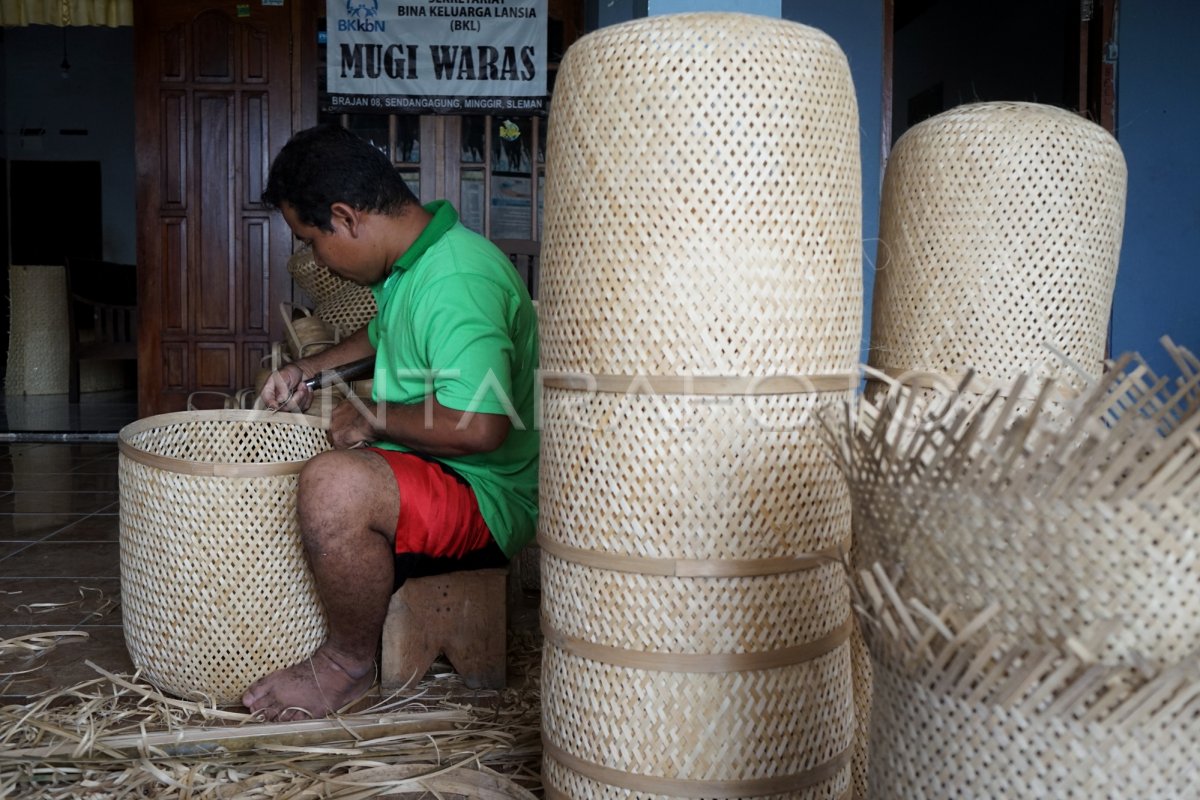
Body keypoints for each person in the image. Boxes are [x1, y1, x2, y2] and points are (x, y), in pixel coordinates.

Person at [243, 124, 539, 721]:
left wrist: (373, 418)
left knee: (335, 485)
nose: (316, 260)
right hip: (434, 468)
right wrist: (306, 371)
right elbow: (381, 337)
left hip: (483, 493)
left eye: (312, 242)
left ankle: (345, 666)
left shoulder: (457, 279)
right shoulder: (415, 263)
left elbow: (480, 426)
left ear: (346, 218)